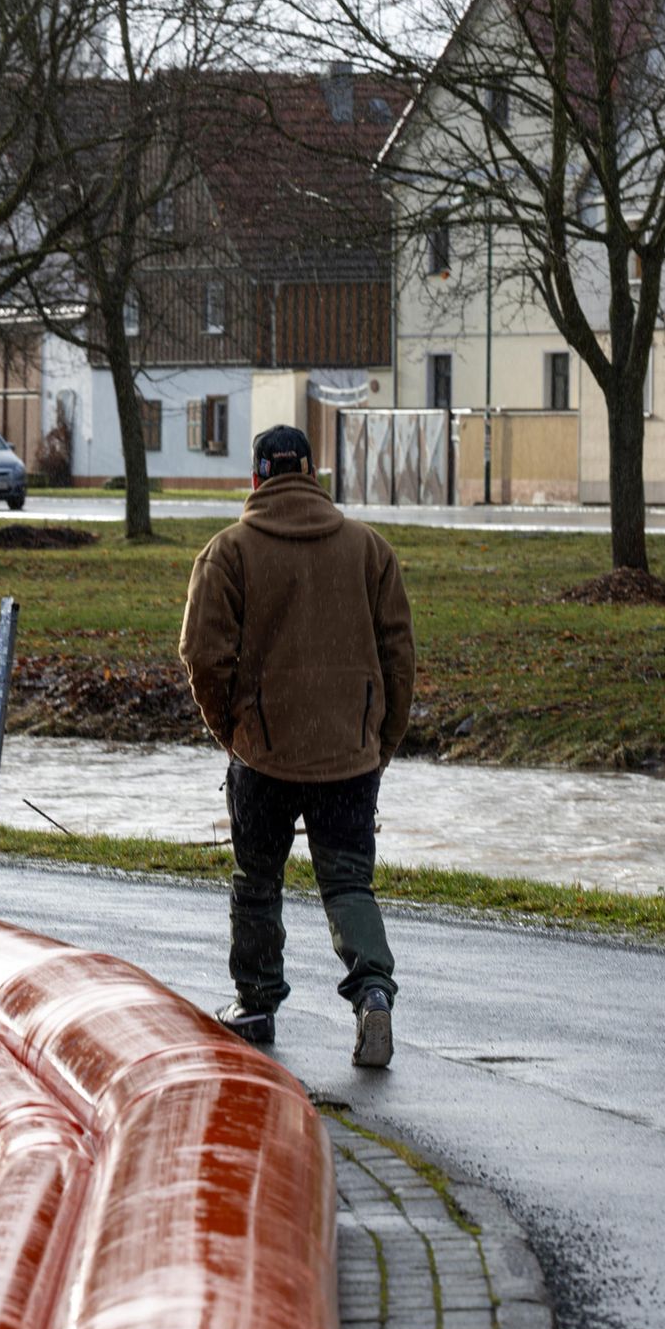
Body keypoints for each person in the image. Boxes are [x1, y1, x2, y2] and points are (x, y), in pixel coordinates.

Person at [179, 425, 416, 1067]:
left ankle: (255, 1006)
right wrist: (378, 741)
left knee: (257, 880)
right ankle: (372, 993)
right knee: (349, 883)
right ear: (313, 474)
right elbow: (400, 660)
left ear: (256, 477)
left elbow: (202, 656)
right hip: (349, 753)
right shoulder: (370, 551)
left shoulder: (227, 553)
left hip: (263, 752)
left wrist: (233, 732)